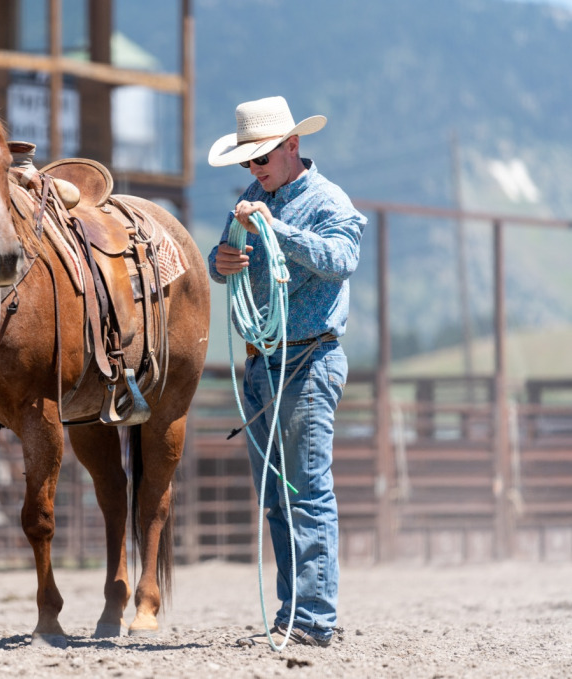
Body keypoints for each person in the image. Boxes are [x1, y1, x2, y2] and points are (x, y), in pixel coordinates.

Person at [207, 96, 366, 647]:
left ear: (292, 146)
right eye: (248, 163)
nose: (254, 171)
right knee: (276, 493)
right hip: (263, 363)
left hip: (308, 359)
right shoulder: (255, 198)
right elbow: (222, 255)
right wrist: (221, 262)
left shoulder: (328, 201)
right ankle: (292, 611)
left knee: (306, 489)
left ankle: (314, 618)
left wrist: (278, 234)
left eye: (261, 159)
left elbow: (342, 259)